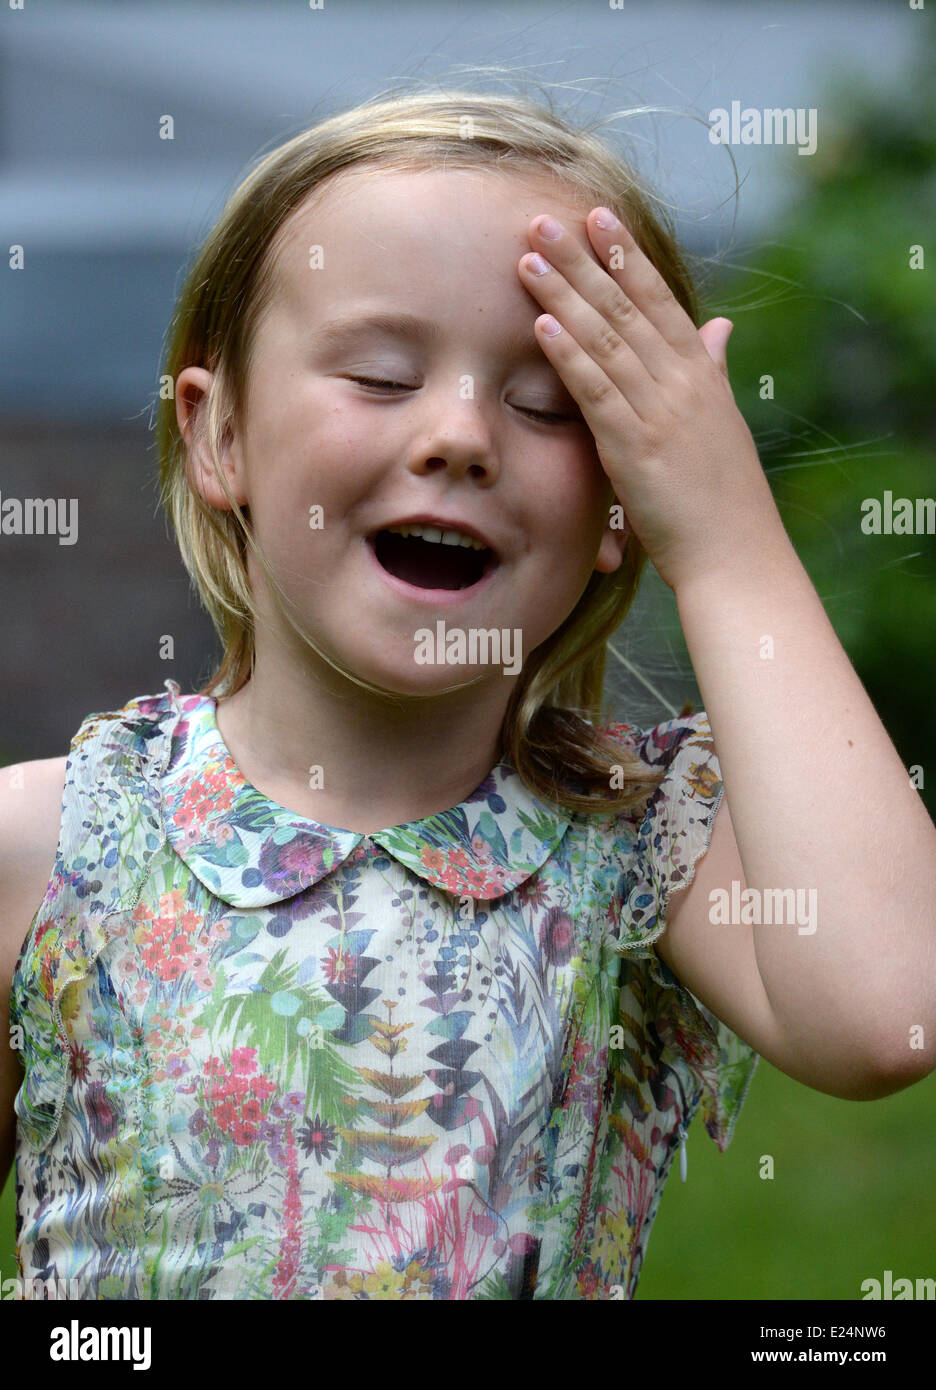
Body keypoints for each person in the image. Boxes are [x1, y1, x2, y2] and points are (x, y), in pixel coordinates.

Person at [1, 86, 933, 1302]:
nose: (460, 436)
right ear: (217, 431)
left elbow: (889, 1013)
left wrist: (722, 535)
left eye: (547, 405)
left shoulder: (639, 839)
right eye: (384, 377)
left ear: (618, 502)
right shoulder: (54, 844)